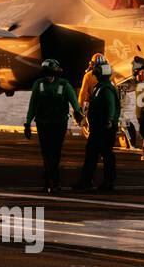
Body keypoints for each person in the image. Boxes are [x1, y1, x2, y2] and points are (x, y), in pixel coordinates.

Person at [24, 59, 83, 194]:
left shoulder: (64, 85)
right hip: (43, 123)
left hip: (58, 123)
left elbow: (73, 100)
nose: (48, 75)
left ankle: (52, 180)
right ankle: (51, 181)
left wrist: (78, 113)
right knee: (46, 152)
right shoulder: (38, 85)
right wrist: (28, 122)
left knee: (54, 152)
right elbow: (32, 104)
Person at [73, 62, 119, 192]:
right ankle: (86, 181)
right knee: (92, 154)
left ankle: (107, 182)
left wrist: (109, 120)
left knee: (105, 155)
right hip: (98, 127)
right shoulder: (100, 87)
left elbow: (111, 106)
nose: (94, 74)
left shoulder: (106, 89)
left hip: (104, 128)